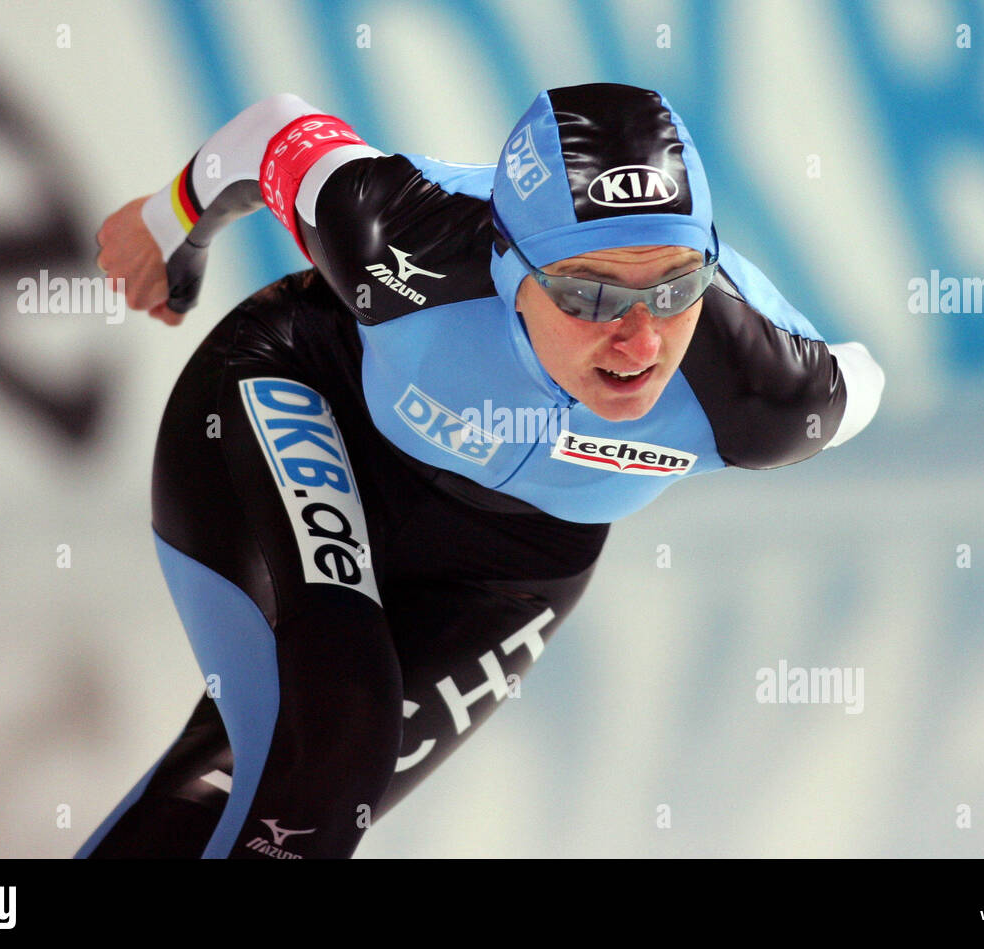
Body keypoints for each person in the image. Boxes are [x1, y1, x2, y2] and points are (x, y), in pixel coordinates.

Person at [77, 82, 885, 859]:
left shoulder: (765, 392)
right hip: (303, 396)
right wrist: (168, 221)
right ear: (507, 267)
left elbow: (863, 383)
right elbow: (272, 133)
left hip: (516, 563)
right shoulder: (397, 236)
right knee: (335, 732)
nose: (642, 343)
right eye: (593, 296)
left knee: (287, 794)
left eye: (675, 289)